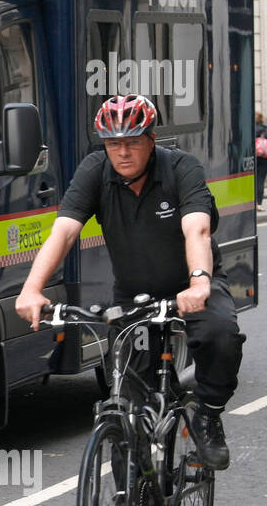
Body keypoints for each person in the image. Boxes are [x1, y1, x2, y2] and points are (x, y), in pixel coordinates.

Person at [15, 94, 245, 469]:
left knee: (221, 336)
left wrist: (200, 282)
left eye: (132, 142)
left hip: (191, 288)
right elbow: (64, 232)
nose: (122, 152)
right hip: (134, 295)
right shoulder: (95, 171)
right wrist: (31, 288)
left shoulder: (181, 168)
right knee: (127, 403)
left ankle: (208, 414)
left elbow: (197, 230)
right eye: (113, 144)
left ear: (151, 139)